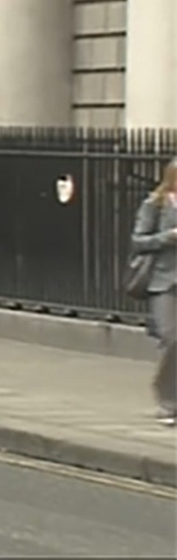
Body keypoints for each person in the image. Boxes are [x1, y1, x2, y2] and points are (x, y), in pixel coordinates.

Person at [131, 156, 177, 426]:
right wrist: (168, 237)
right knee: (172, 339)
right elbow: (138, 241)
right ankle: (167, 400)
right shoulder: (155, 205)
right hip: (163, 282)